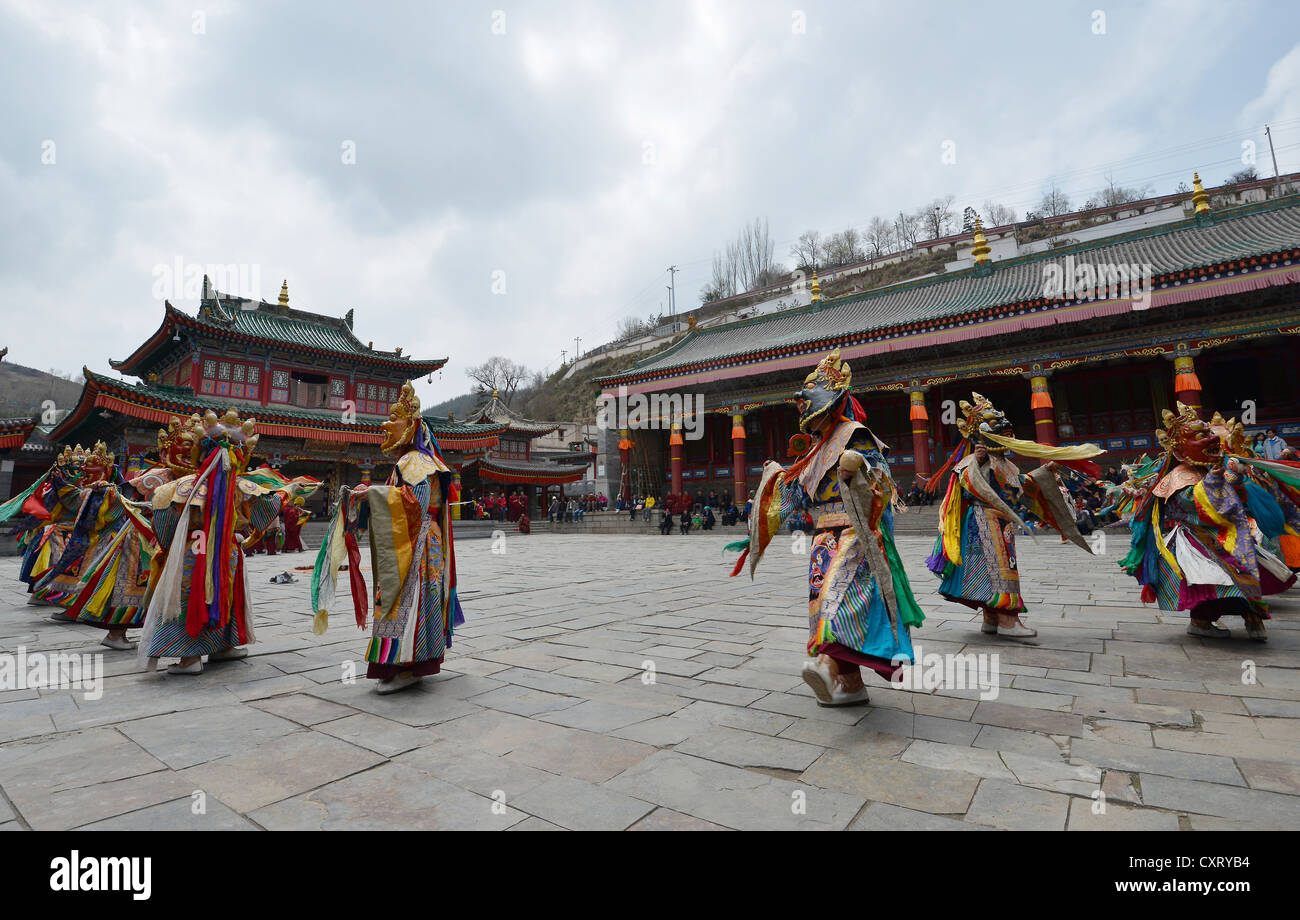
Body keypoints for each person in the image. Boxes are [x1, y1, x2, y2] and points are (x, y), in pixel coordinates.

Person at [726, 349, 926, 705]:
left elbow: (883, 482)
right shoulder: (816, 450)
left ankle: (826, 664)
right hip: (823, 537)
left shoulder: (855, 435)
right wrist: (778, 481)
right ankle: (850, 684)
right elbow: (802, 500)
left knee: (841, 601)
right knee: (824, 601)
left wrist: (859, 467)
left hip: (855, 533)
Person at [312, 382, 464, 693]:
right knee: (397, 602)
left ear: (411, 424)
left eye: (394, 418)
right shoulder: (411, 461)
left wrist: (375, 494)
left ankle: (409, 664)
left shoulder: (417, 463)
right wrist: (371, 496)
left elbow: (414, 503)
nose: (386, 424)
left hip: (418, 543)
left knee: (406, 603)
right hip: (413, 539)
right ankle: (400, 663)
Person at [925, 392, 1104, 639]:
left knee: (996, 570)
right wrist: (977, 461)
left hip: (1001, 523)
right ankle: (1008, 620)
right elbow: (968, 485)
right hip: (982, 522)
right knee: (998, 570)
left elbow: (1022, 487)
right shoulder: (970, 462)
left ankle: (991, 618)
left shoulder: (1006, 464)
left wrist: (1045, 471)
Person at [1120, 405, 1297, 641]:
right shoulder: (1179, 476)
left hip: (1230, 535)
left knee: (1246, 574)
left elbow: (1236, 501)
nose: (1213, 438)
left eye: (1210, 433)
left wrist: (1242, 485)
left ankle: (1252, 617)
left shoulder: (1213, 469)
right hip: (1198, 539)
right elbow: (1190, 503)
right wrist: (1222, 482)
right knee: (1215, 581)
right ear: (1181, 451)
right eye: (1201, 436)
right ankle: (1201, 621)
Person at [137, 410, 283, 675]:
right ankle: (223, 645)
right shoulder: (242, 487)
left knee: (188, 598)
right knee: (225, 594)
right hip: (228, 552)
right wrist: (286, 493)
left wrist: (169, 546)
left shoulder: (180, 488)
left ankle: (189, 658)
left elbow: (163, 523)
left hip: (193, 550)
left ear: (199, 452)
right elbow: (268, 510)